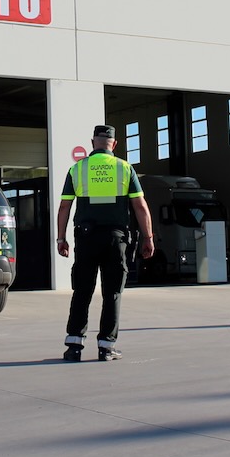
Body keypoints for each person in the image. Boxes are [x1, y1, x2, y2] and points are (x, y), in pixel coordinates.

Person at [56, 125, 155, 361]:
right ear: (115, 144)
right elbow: (140, 206)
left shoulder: (77, 169)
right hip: (116, 240)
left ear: (93, 143)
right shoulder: (124, 168)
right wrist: (148, 237)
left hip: (86, 238)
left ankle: (74, 347)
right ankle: (106, 347)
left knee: (82, 291)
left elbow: (64, 207)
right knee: (112, 293)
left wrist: (61, 238)